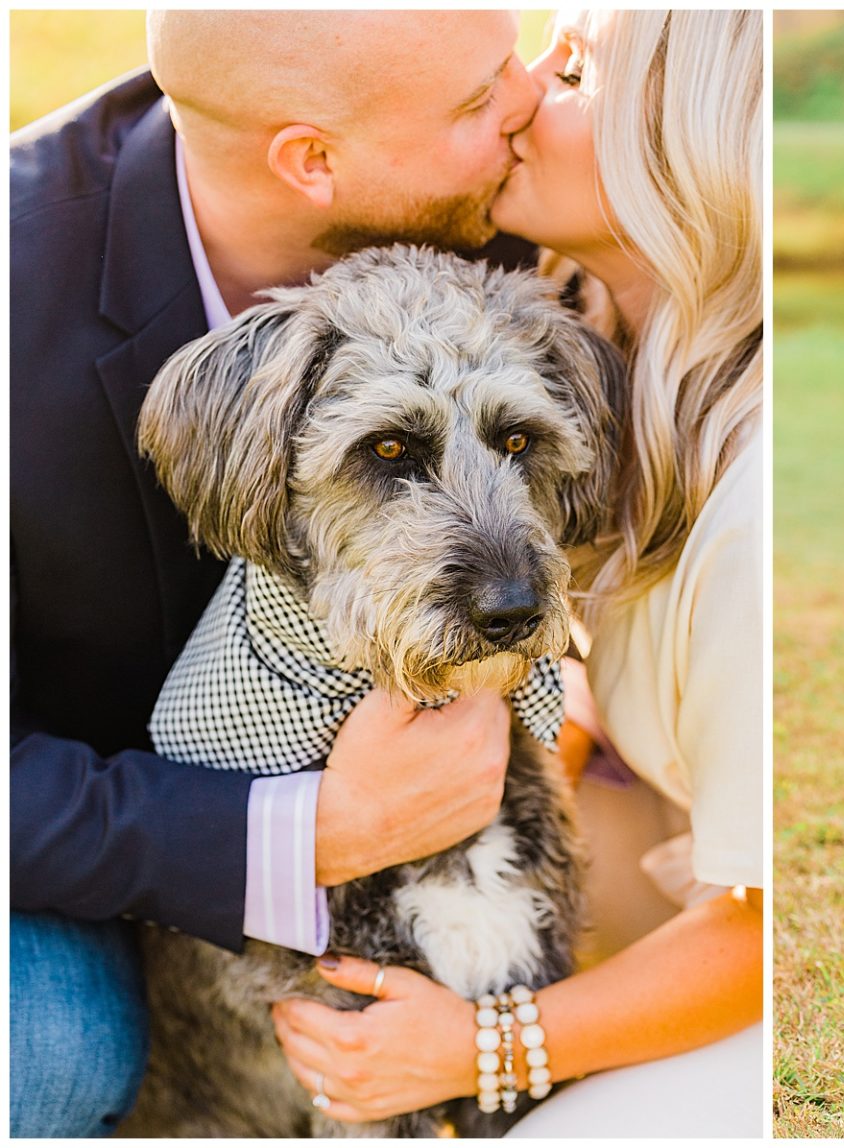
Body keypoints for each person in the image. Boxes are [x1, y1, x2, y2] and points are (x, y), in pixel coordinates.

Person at [10, 10, 548, 1136]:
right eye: (475, 97)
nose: (533, 100)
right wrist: (297, 835)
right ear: (312, 158)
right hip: (50, 840)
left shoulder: (504, 223)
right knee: (45, 1051)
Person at [266, 10, 765, 1136]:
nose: (524, 88)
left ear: (683, 139)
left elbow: (770, 919)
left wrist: (483, 1045)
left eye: (577, 67)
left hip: (748, 960)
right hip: (653, 863)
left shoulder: (753, 501)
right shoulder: (579, 346)